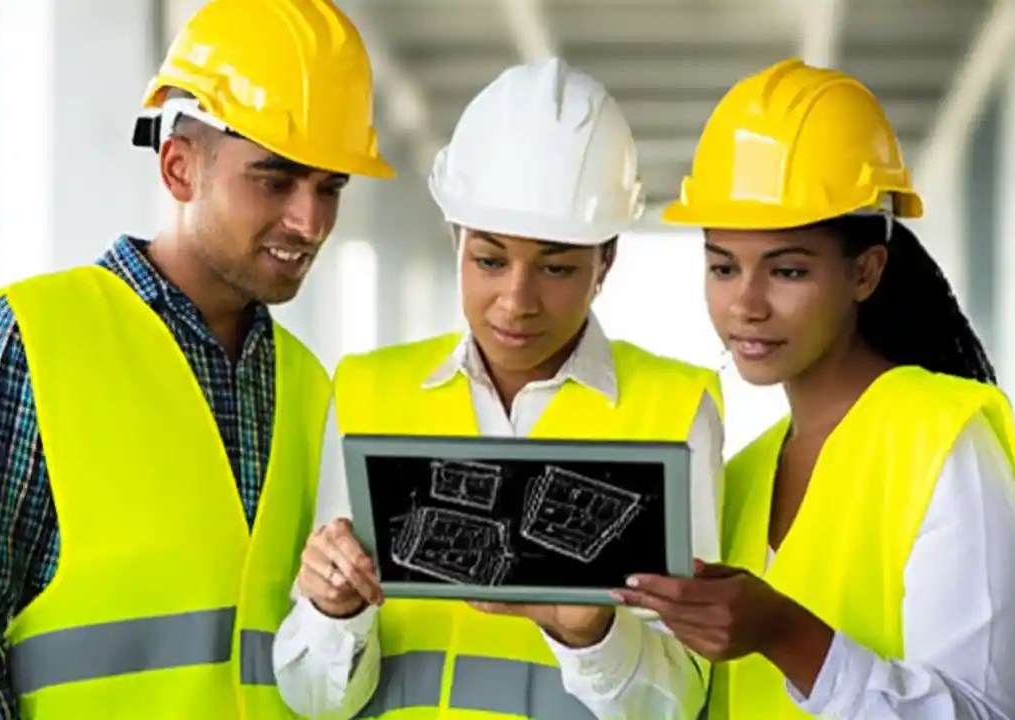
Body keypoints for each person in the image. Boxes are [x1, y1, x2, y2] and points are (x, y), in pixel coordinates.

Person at [0, 1, 393, 717]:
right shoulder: (31, 338)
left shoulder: (310, 386)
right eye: (275, 180)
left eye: (330, 188)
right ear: (179, 167)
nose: (309, 222)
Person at [270, 57, 726, 719]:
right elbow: (315, 704)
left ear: (606, 262)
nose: (517, 300)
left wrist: (590, 633)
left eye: (557, 266)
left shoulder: (677, 410)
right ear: (456, 240)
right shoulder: (369, 394)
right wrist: (331, 611)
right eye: (489, 259)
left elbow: (682, 702)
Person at [612, 59, 1015, 719]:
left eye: (788, 270)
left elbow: (977, 713)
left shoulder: (942, 439)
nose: (747, 305)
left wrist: (785, 633)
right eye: (723, 267)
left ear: (866, 273)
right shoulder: (742, 475)